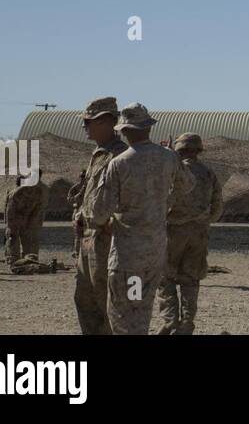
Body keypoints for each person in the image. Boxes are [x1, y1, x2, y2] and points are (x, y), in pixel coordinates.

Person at [87, 104, 192, 335]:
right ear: (148, 128)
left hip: (128, 255)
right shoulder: (169, 157)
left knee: (124, 315)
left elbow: (99, 213)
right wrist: (164, 201)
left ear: (124, 130)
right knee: (141, 309)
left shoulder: (120, 163)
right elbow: (187, 185)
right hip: (154, 252)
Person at [156, 133, 223, 335]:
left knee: (165, 277)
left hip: (172, 232)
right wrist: (203, 221)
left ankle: (170, 322)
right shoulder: (209, 173)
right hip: (199, 233)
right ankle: (187, 323)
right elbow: (218, 207)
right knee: (191, 279)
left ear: (179, 149)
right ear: (198, 150)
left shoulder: (173, 172)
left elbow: (162, 202)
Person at [72, 96, 128, 334]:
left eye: (89, 121)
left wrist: (111, 222)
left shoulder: (122, 155)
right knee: (84, 299)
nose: (85, 126)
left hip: (107, 238)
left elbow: (127, 198)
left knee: (106, 300)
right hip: (87, 237)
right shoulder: (99, 153)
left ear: (107, 122)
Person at [4, 175, 47, 265]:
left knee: (27, 238)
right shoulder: (16, 193)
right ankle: (13, 259)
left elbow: (37, 209)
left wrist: (31, 222)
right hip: (15, 218)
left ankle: (28, 258)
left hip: (26, 218)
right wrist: (10, 225)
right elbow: (10, 210)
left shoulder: (38, 193)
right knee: (13, 237)